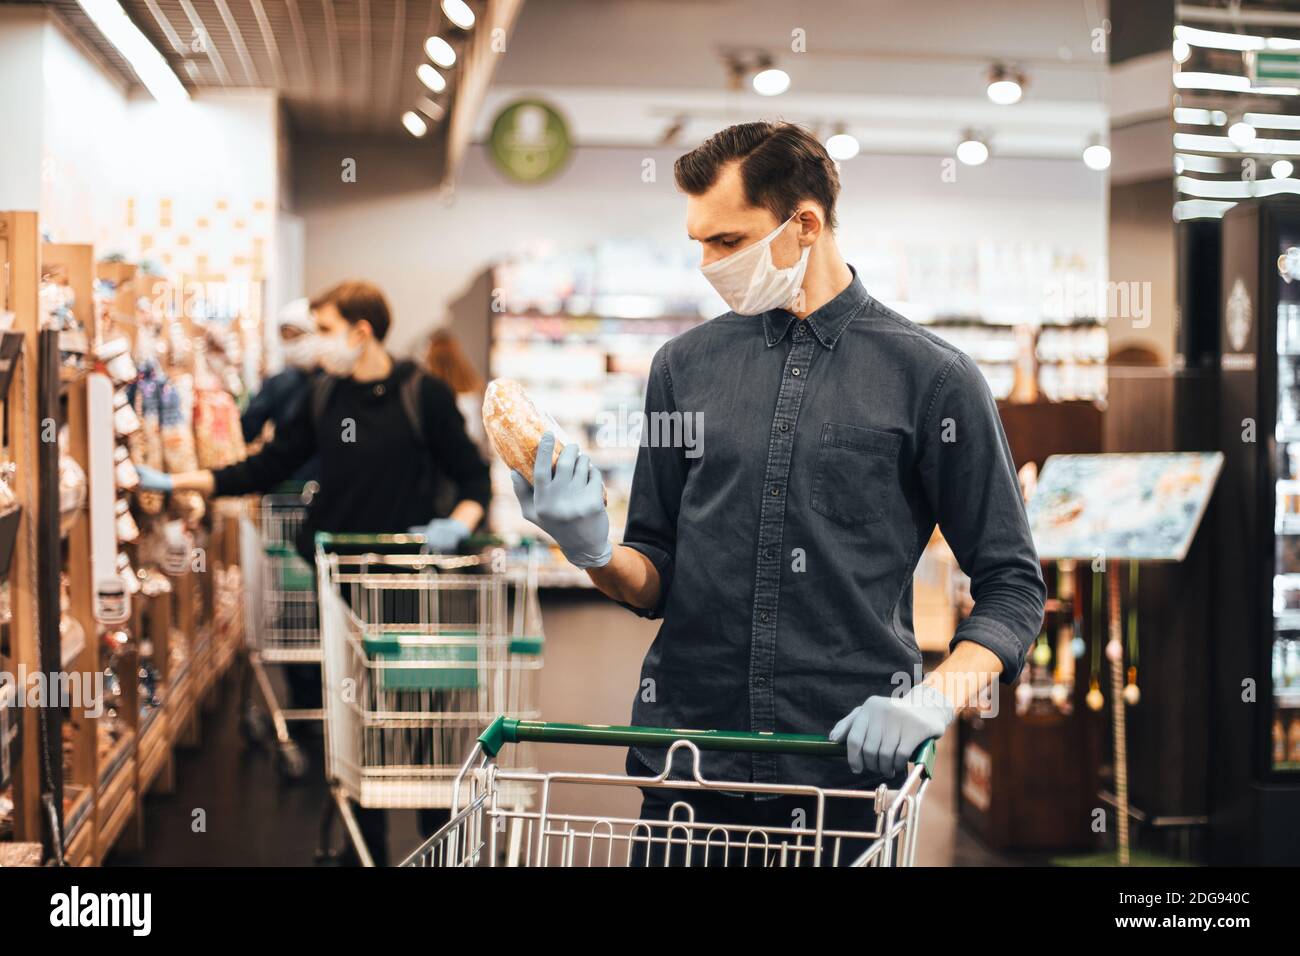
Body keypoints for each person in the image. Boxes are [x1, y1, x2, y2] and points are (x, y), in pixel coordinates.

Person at [511, 121, 1046, 865]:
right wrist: (593, 549)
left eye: (727, 242)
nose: (707, 265)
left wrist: (934, 698)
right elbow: (652, 572)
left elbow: (1013, 585)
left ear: (805, 224)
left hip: (842, 782)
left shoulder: (934, 380)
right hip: (688, 769)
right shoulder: (681, 370)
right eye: (698, 242)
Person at [137, 280, 491, 864]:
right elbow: (267, 463)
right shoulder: (324, 397)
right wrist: (180, 481)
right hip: (342, 586)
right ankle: (364, 847)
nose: (316, 344)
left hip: (414, 584)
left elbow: (472, 476)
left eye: (325, 330)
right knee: (356, 725)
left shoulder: (420, 393)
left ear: (361, 331)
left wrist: (458, 521)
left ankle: (437, 841)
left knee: (425, 718)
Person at [240, 297, 321, 484]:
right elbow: (248, 428)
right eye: (285, 338)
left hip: (326, 483)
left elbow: (349, 435)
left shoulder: (335, 384)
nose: (291, 345)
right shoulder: (278, 383)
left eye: (296, 336)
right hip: (287, 480)